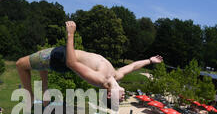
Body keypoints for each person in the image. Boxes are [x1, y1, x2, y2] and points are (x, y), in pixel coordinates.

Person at [16, 21, 164, 106]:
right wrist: (150, 61)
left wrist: (70, 34)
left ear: (108, 95)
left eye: (118, 100)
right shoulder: (115, 76)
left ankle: (30, 98)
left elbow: (71, 62)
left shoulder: (99, 79)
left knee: (20, 64)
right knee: (41, 64)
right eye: (121, 99)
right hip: (60, 56)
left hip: (60, 57)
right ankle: (46, 92)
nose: (123, 98)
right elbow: (132, 66)